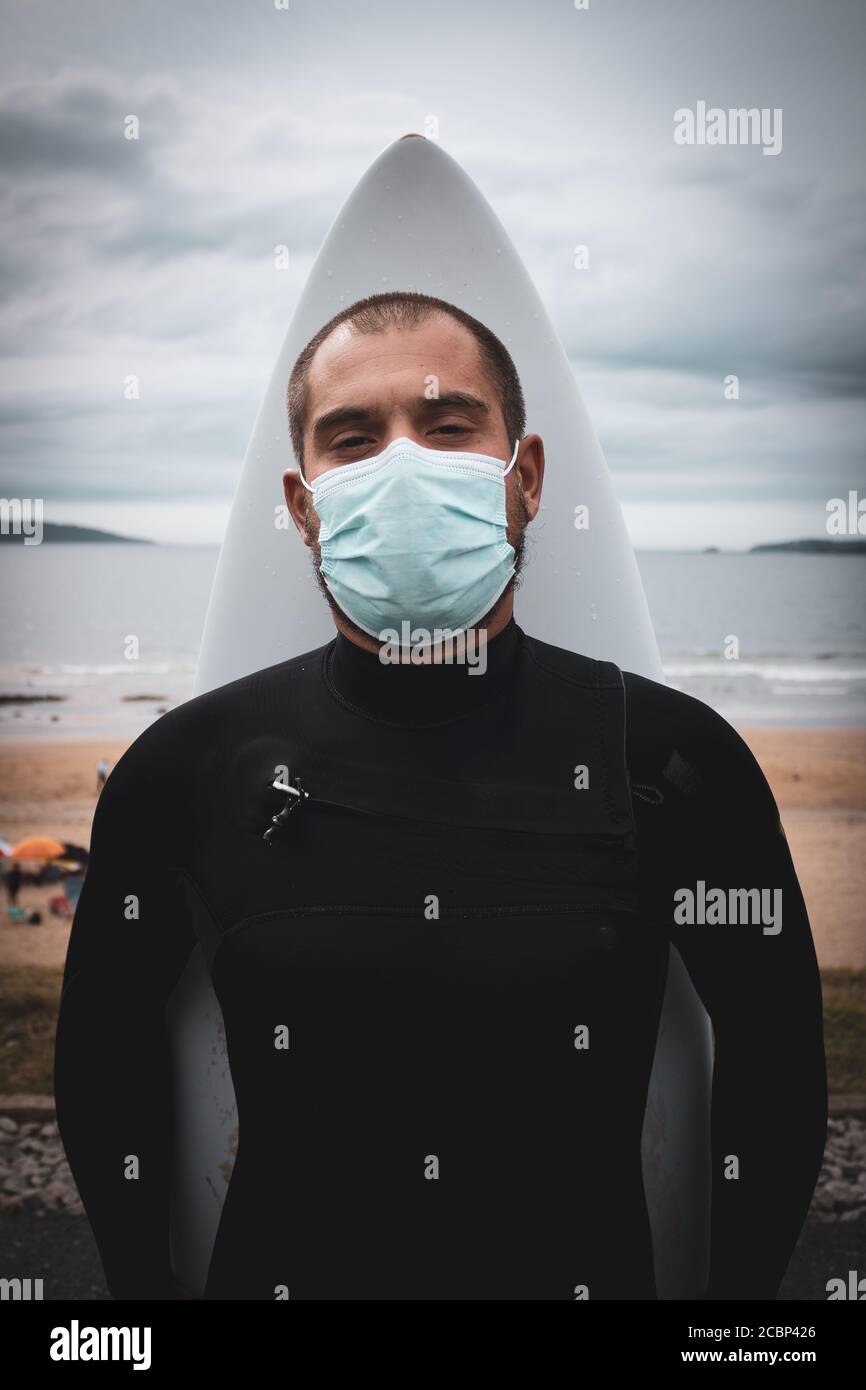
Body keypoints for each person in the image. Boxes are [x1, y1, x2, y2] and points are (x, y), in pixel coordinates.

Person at [53, 292, 827, 1301]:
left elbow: (777, 1068)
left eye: (447, 424)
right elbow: (102, 1063)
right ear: (302, 505)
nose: (402, 463)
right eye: (353, 437)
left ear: (528, 475)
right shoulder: (184, 769)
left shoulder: (672, 758)